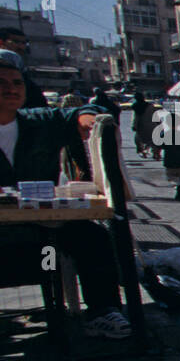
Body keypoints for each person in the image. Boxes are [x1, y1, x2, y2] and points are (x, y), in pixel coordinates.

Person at [0, 57, 131, 338]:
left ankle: (102, 311)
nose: (10, 89)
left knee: (93, 237)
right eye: (1, 83)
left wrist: (87, 117)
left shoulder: (42, 122)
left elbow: (83, 111)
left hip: (44, 224)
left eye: (16, 83)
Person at [0, 28, 48, 109]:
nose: (21, 46)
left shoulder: (19, 63)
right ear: (1, 42)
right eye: (16, 41)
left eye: (24, 43)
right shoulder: (7, 55)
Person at [130, 92, 153, 157]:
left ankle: (142, 151)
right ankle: (146, 150)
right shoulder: (150, 106)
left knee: (139, 139)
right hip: (150, 125)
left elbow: (135, 118)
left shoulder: (135, 107)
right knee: (149, 140)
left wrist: (134, 126)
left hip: (141, 126)